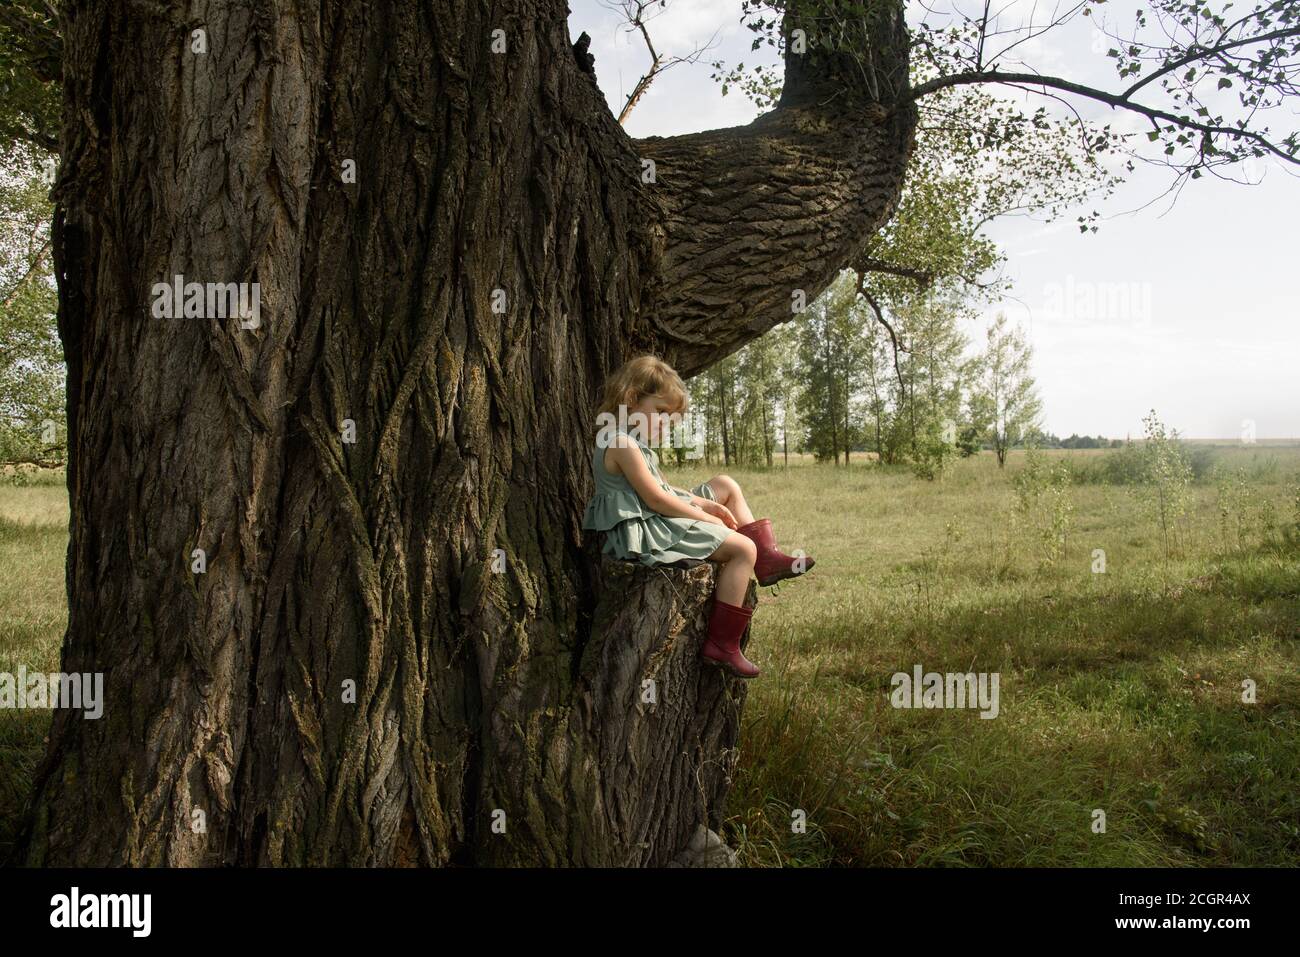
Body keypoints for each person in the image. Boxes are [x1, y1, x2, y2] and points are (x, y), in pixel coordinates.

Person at [582, 355, 815, 679]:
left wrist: (707, 504)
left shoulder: (630, 440)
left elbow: (664, 488)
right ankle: (723, 644)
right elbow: (655, 499)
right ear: (632, 399)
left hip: (656, 512)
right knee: (741, 549)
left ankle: (766, 559)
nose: (665, 423)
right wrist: (704, 516)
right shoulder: (622, 444)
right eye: (660, 412)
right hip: (647, 528)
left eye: (670, 418)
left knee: (725, 486)